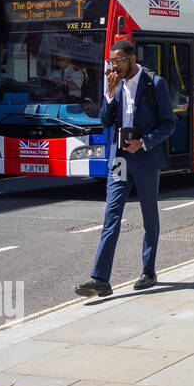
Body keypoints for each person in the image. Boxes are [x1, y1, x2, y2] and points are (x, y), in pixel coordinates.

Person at [75, 39, 175, 297]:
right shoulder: (114, 85)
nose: (114, 67)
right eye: (111, 62)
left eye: (118, 61)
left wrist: (144, 142)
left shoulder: (155, 84)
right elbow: (105, 120)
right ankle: (100, 279)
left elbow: (168, 123)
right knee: (111, 216)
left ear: (132, 59)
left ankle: (149, 271)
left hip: (145, 160)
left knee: (149, 216)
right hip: (119, 160)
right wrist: (109, 95)